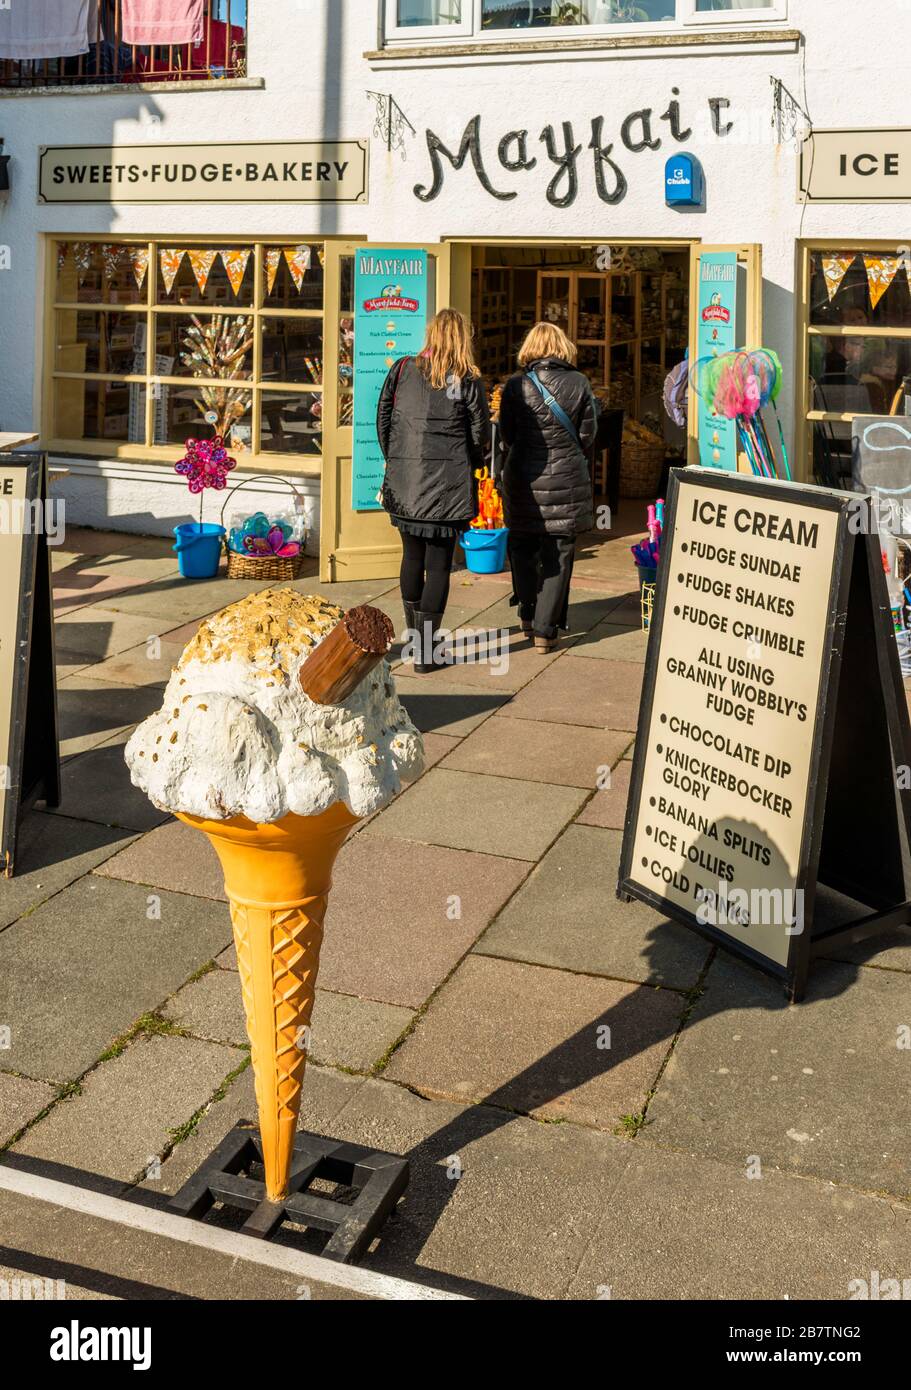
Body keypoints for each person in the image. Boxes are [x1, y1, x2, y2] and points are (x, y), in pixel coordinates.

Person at [377, 308, 490, 673]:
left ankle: (417, 644)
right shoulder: (466, 379)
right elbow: (479, 434)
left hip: (406, 482)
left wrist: (396, 459)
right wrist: (469, 463)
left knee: (411, 557)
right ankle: (426, 652)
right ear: (463, 338)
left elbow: (383, 417)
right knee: (438, 565)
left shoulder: (404, 368)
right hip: (447, 486)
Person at [499, 322, 597, 653]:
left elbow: (507, 434)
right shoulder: (580, 383)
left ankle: (528, 613)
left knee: (523, 548)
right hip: (566, 479)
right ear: (563, 347)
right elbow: (587, 435)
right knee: (559, 554)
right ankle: (545, 629)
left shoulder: (516, 386)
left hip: (524, 478)